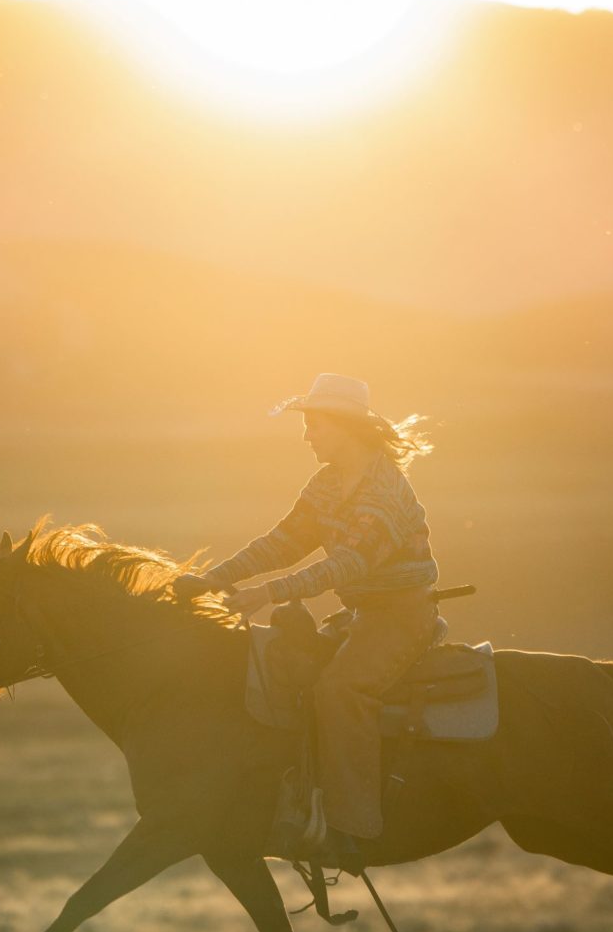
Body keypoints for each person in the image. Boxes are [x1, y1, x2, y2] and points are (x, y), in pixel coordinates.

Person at [174, 373, 440, 872]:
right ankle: (305, 805)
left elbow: (346, 566)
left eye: (315, 425)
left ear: (343, 427)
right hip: (365, 613)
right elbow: (282, 542)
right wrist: (212, 579)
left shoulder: (383, 492)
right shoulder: (327, 484)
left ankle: (353, 830)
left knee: (341, 690)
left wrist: (264, 594)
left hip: (402, 617)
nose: (307, 436)